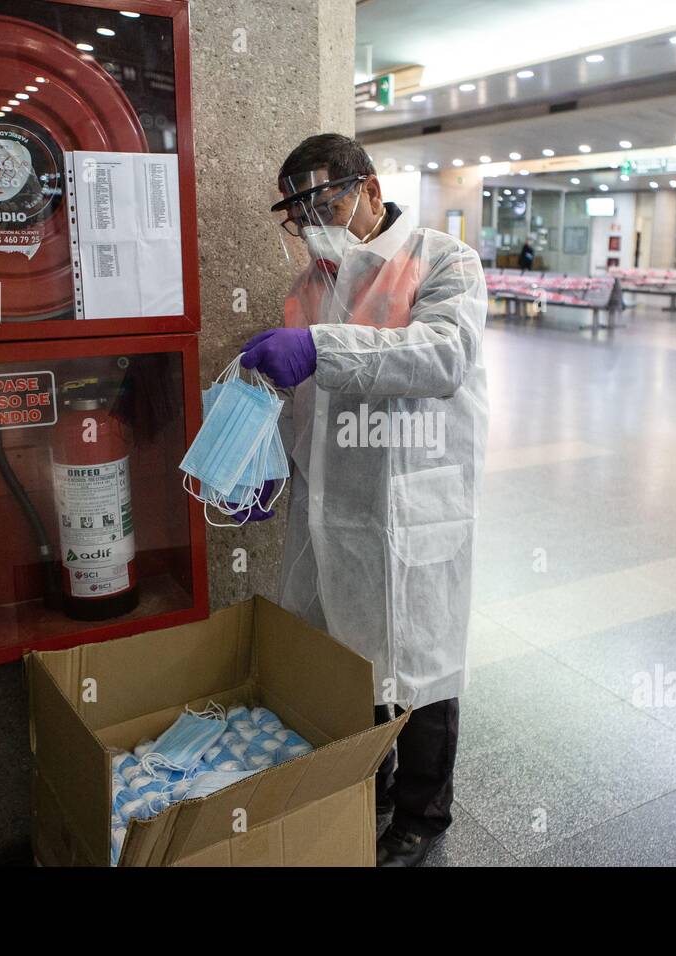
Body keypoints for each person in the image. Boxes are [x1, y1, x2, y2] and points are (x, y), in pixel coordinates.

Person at [237, 133, 489, 867]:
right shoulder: (308, 286)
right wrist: (267, 466)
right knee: (349, 657)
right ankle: (368, 785)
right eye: (299, 212)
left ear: (371, 190)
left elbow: (444, 355)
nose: (316, 221)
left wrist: (321, 347)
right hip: (333, 505)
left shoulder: (445, 261)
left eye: (328, 201)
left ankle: (421, 817)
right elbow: (301, 404)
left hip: (416, 501)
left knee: (422, 663)